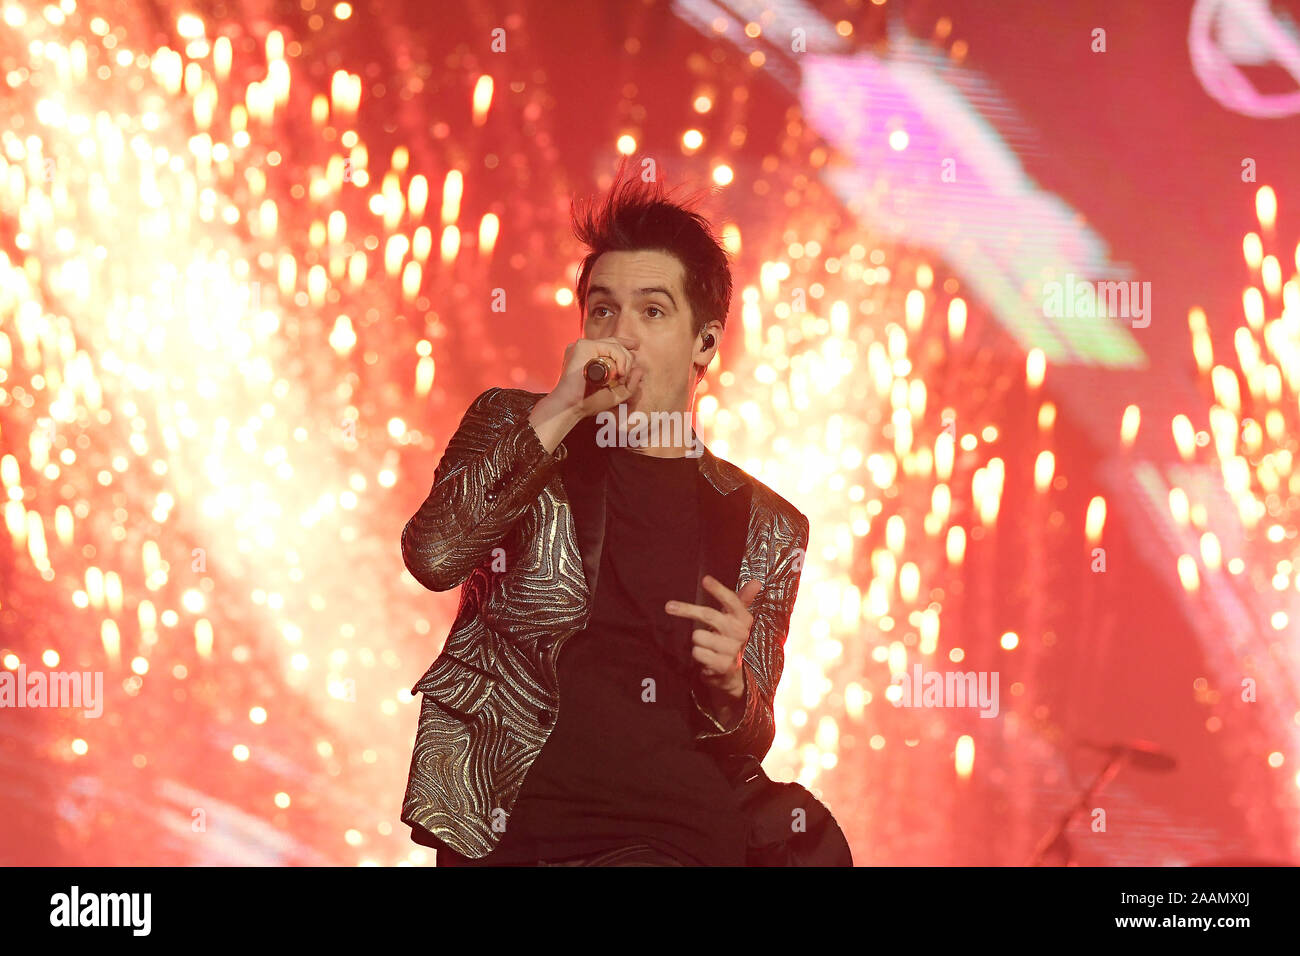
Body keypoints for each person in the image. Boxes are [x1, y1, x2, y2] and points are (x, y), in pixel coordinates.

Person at [399, 161, 810, 866]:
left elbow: (748, 737)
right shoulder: (517, 427)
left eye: (653, 312)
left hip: (674, 835)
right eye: (602, 309)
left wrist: (731, 682)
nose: (622, 334)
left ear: (705, 343)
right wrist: (557, 413)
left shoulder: (768, 524)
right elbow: (434, 556)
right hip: (514, 821)